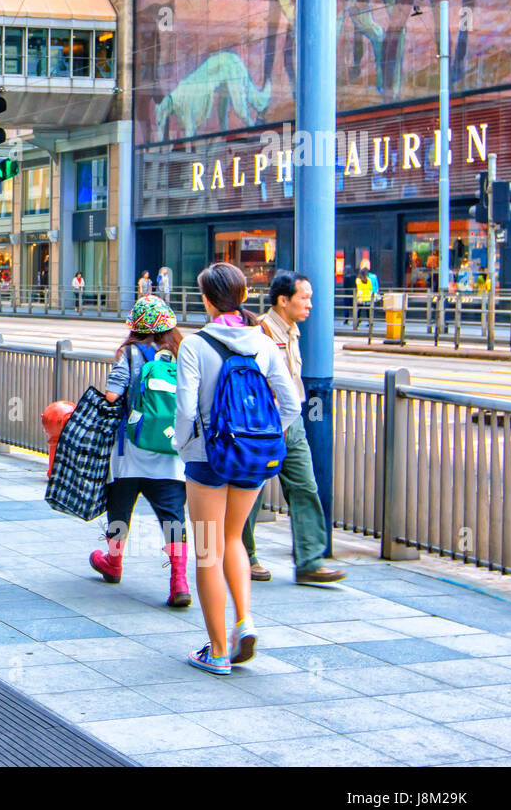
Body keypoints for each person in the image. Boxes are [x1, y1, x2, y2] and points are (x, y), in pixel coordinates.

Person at [173, 262, 301, 675]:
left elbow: (186, 410)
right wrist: (264, 436)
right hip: (251, 459)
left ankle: (217, 650)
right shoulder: (263, 343)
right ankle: (243, 622)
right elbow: (293, 404)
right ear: (244, 297)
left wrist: (185, 446)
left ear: (207, 300)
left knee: (207, 551)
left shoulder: (195, 345)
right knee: (235, 540)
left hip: (207, 460)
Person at [243, 271, 347, 585]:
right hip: (264, 423)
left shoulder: (292, 331)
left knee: (304, 486)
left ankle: (310, 560)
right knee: (251, 493)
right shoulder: (258, 332)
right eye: (304, 297)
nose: (310, 305)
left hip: (293, 421)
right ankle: (243, 556)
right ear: (283, 299)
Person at [90, 296, 191, 609]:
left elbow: (111, 395)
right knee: (173, 516)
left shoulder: (131, 354)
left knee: (119, 507)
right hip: (172, 452)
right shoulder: (182, 354)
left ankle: (114, 561)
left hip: (130, 451)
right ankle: (179, 581)